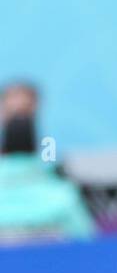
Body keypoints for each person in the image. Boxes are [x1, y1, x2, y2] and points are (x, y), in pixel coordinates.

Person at [0, 82, 96, 244]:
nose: (19, 114)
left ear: (36, 107)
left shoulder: (47, 144)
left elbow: (50, 174)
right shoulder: (63, 198)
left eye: (26, 107)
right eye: (12, 107)